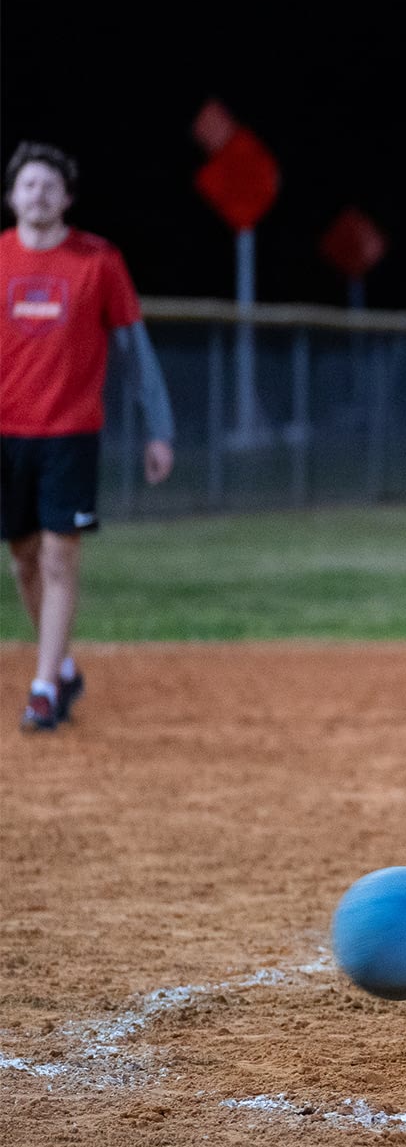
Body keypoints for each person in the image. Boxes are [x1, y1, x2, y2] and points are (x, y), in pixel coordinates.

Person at [2, 142, 176, 732]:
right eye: (28, 185)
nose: (39, 194)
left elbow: (133, 348)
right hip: (6, 434)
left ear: (67, 198)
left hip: (70, 434)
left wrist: (160, 428)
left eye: (50, 185)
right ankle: (65, 668)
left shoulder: (98, 261)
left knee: (58, 556)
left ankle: (44, 687)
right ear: (12, 197)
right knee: (23, 559)